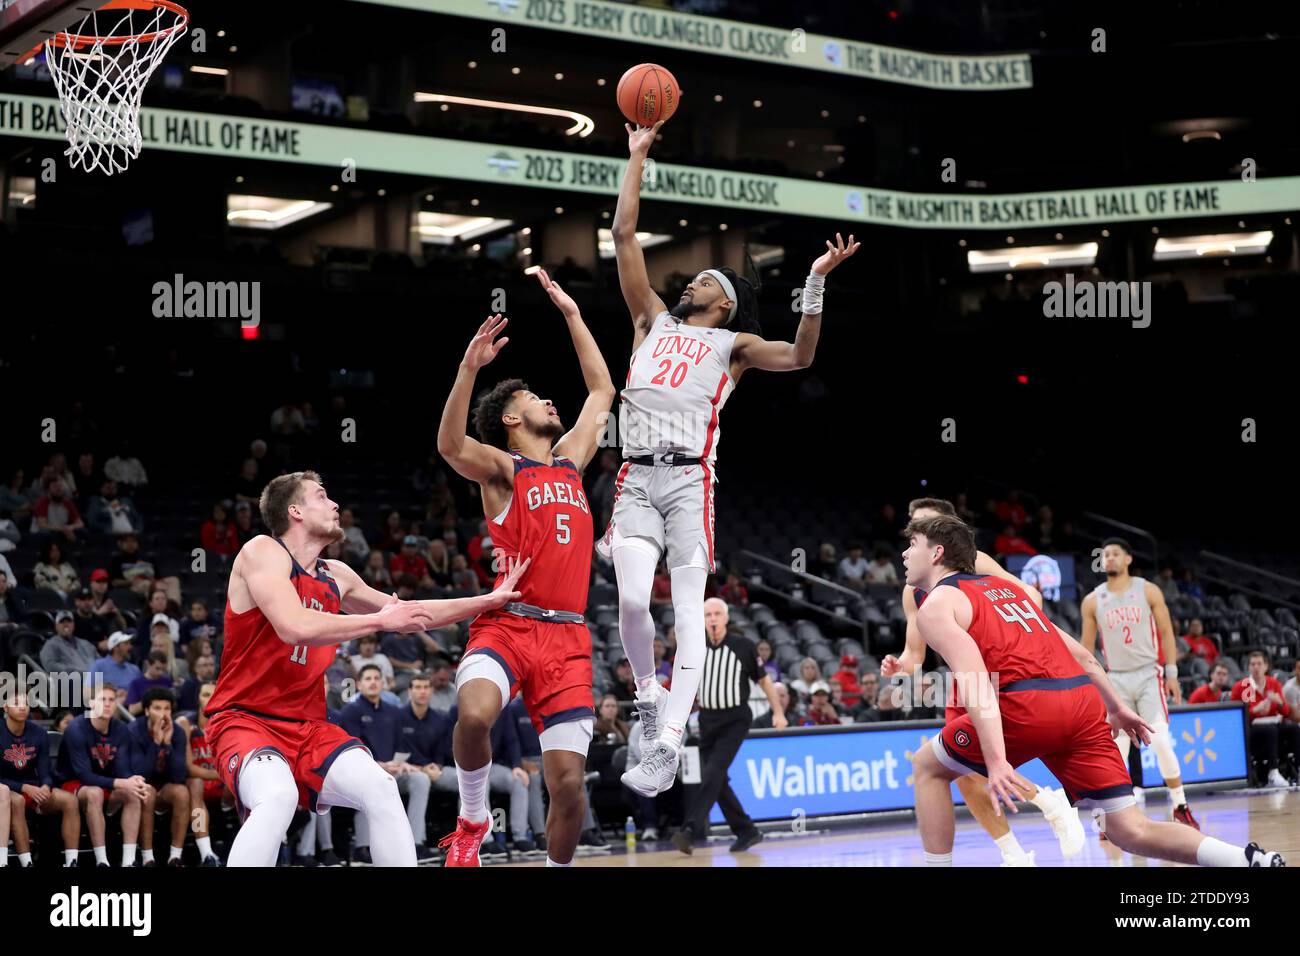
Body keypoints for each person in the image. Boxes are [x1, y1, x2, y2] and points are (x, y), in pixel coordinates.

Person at [603, 117, 858, 799]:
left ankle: (663, 742)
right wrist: (636, 156)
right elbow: (625, 236)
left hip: (690, 481)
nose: (691, 283)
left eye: (705, 281)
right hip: (634, 475)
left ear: (727, 301)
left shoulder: (736, 346)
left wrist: (812, 281)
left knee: (688, 617)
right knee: (631, 598)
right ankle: (650, 698)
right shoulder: (650, 319)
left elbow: (802, 355)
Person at [904, 514, 1284, 868]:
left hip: (1028, 704)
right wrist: (1115, 708)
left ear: (936, 553)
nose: (905, 553)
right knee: (1129, 829)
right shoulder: (1010, 591)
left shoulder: (937, 605)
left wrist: (997, 760)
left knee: (927, 768)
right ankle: (1245, 859)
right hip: (1082, 702)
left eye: (913, 544)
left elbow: (975, 684)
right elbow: (1085, 658)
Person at [203, 470, 525, 867]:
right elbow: (294, 627)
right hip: (244, 720)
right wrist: (379, 621)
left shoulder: (337, 576)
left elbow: (412, 614)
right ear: (295, 510)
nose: (335, 504)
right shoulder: (262, 552)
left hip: (308, 726)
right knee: (278, 796)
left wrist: (487, 600)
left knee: (381, 786)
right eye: (321, 496)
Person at [434, 267, 612, 868]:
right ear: (511, 420)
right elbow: (450, 446)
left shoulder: (570, 462)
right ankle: (474, 816)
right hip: (508, 624)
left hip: (567, 636)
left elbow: (601, 391)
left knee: (567, 788)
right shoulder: (504, 471)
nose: (547, 399)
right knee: (476, 715)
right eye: (534, 397)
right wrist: (468, 369)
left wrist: (571, 313)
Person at [884, 497, 1069, 866]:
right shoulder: (913, 589)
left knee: (956, 765)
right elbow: (915, 654)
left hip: (1000, 673)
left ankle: (1048, 801)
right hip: (962, 677)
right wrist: (899, 666)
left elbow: (1029, 596)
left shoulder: (976, 561)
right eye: (911, 524)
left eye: (921, 524)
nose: (912, 532)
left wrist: (1012, 638)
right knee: (964, 775)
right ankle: (1015, 852)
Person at [1081, 538, 1197, 828]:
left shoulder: (1148, 590)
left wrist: (1171, 673)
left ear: (1128, 559)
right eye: (1105, 555)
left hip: (1148, 674)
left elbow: (1168, 632)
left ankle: (1180, 805)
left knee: (1159, 741)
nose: (1109, 559)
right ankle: (1116, 817)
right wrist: (1090, 687)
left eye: (1115, 554)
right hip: (1115, 679)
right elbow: (1085, 649)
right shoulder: (1093, 600)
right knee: (1117, 749)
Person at [673, 597, 785, 854]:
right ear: (702, 619)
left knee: (712, 772)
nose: (712, 619)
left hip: (735, 719)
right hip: (707, 720)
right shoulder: (694, 647)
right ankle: (746, 831)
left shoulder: (743, 645)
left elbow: (765, 682)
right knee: (717, 780)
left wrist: (778, 712)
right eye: (707, 615)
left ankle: (690, 829)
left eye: (716, 614)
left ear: (725, 618)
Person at [340, 664, 438, 864]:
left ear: (383, 683)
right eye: (368, 679)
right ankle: (362, 848)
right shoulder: (351, 711)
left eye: (377, 678)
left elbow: (402, 743)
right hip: (365, 771)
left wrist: (405, 764)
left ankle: (415, 843)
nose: (373, 682)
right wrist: (379, 766)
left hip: (392, 769)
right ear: (358, 684)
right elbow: (352, 750)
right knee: (370, 781)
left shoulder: (394, 711)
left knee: (420, 780)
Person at [56, 683, 149, 867]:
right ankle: (102, 861)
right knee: (94, 792)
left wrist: (133, 781)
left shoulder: (120, 728)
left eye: (111, 700)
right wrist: (123, 782)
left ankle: (128, 861)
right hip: (72, 782)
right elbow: (84, 775)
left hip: (104, 782)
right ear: (91, 703)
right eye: (102, 699)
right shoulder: (76, 728)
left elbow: (122, 769)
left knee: (133, 792)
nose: (107, 704)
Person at [2, 693, 81, 867]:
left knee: (69, 800)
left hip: (33, 788)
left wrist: (46, 785)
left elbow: (45, 769)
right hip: (8, 789)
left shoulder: (38, 733)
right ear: (5, 707)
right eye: (16, 703)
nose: (22, 707)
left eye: (26, 703)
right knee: (17, 801)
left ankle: (71, 860)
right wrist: (23, 787)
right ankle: (26, 861)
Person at [127, 687, 191, 866]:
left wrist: (168, 743)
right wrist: (156, 742)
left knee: (182, 792)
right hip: (141, 786)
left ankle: (175, 857)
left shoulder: (177, 731)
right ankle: (148, 858)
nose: (163, 714)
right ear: (147, 710)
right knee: (148, 791)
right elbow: (141, 773)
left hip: (165, 787)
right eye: (157, 708)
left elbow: (179, 776)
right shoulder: (134, 731)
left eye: (167, 709)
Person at [1231, 651, 1298, 787]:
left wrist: (1280, 702)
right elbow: (1235, 716)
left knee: (1294, 728)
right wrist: (1254, 710)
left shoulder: (1274, 684)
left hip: (1272, 724)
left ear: (1266, 666)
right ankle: (1273, 773)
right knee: (1271, 730)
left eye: (1259, 664)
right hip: (1250, 729)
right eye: (1252, 664)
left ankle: (1298, 768)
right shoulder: (1241, 686)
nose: (1256, 667)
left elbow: (1285, 712)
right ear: (1248, 667)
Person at [176, 681, 225, 866]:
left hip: (222, 786)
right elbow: (189, 768)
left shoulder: (225, 726)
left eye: (213, 694)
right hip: (199, 785)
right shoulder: (187, 725)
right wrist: (220, 776)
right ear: (197, 698)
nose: (210, 699)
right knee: (195, 783)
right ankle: (207, 853)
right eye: (205, 694)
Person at [41, 611, 98, 677]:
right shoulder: (51, 645)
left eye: (69, 621)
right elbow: (50, 665)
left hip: (96, 681)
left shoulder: (85, 644)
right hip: (72, 682)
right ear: (56, 626)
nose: (66, 625)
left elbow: (100, 661)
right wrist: (73, 672)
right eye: (62, 622)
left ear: (73, 625)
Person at [126, 651, 175, 716]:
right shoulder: (137, 683)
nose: (160, 673)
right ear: (148, 664)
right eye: (157, 668)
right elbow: (132, 710)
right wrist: (151, 698)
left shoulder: (167, 681)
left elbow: (173, 706)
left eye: (163, 669)